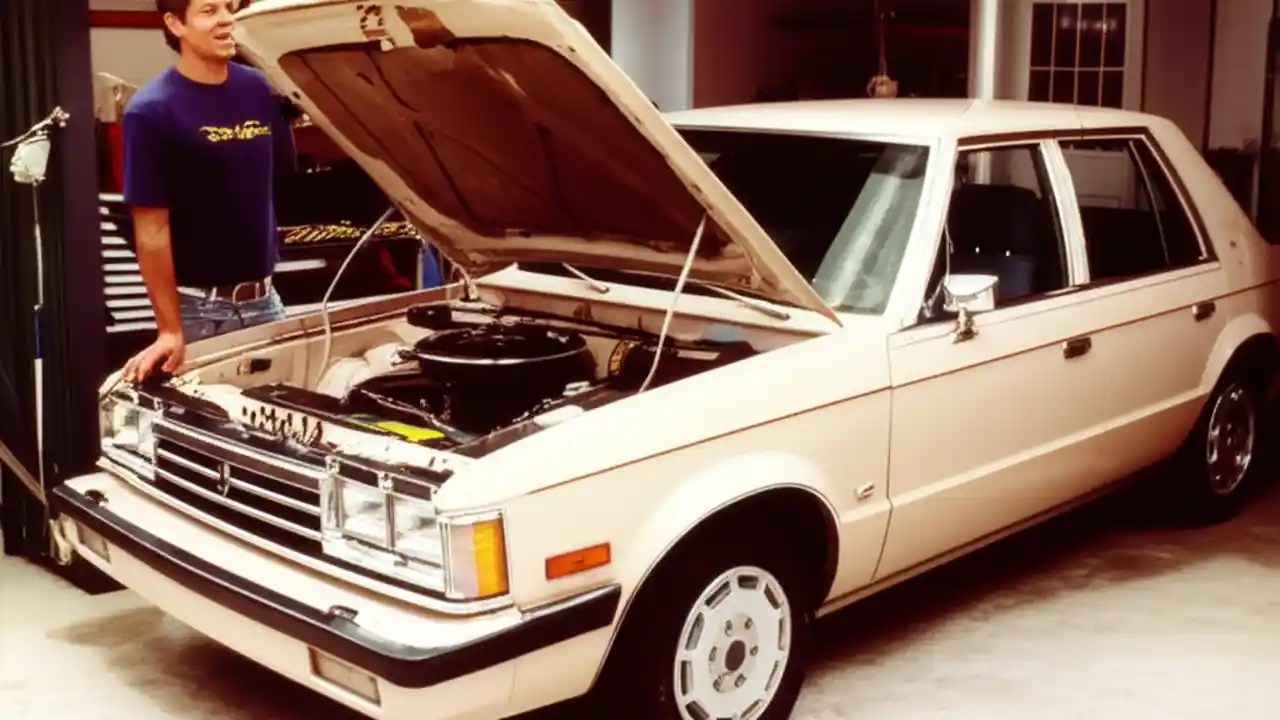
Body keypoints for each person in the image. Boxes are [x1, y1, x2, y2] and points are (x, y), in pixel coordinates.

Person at [120, 0, 295, 383]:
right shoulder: (150, 111)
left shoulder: (260, 89)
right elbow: (151, 231)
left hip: (265, 303)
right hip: (198, 312)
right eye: (209, 10)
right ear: (175, 23)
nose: (226, 19)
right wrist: (169, 329)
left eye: (230, 6)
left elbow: (281, 176)